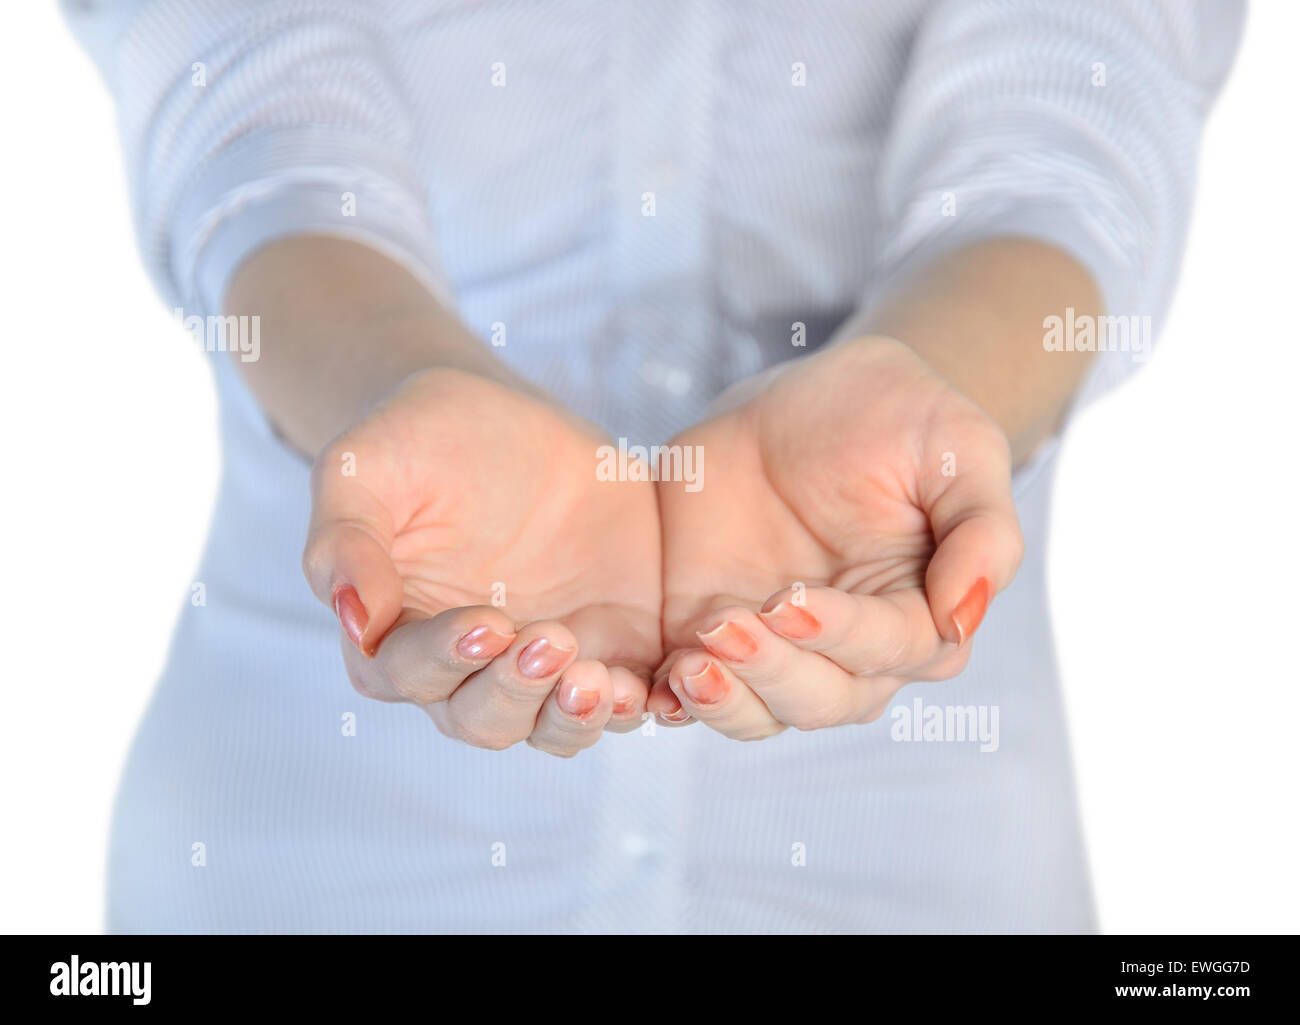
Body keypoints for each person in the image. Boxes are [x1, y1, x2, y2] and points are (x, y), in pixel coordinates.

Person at [65, 0, 1244, 932]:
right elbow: (245, 95)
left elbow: (1079, 109)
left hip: (912, 862)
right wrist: (397, 380)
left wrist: (928, 382)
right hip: (317, 843)